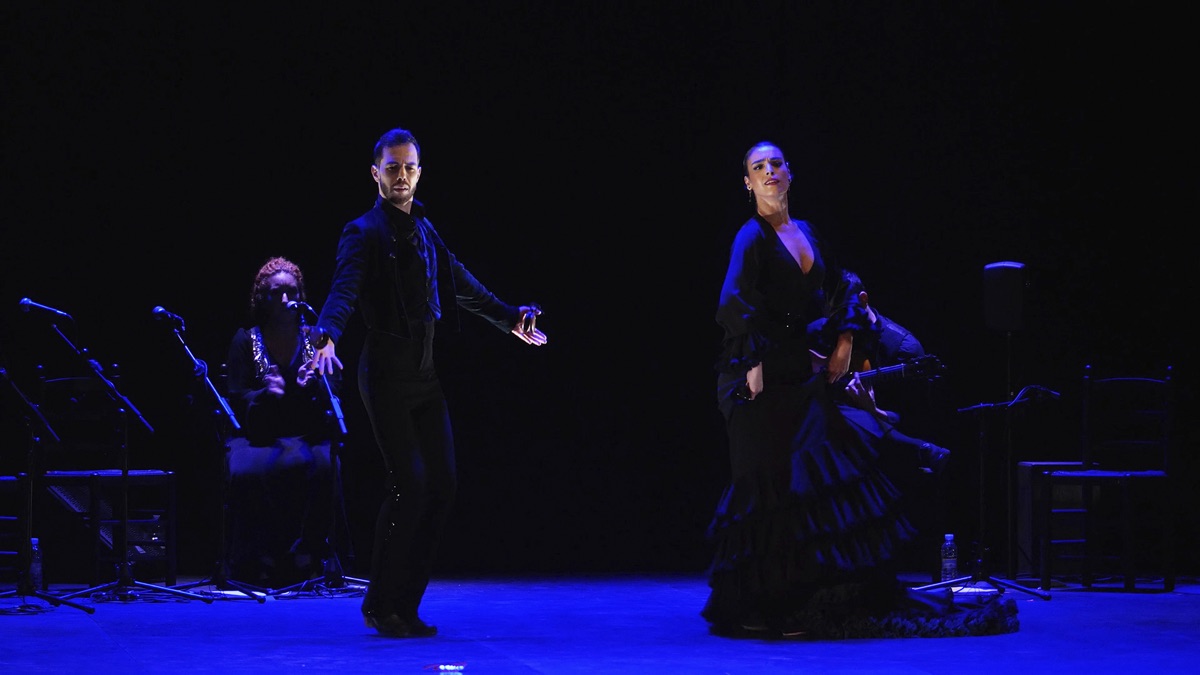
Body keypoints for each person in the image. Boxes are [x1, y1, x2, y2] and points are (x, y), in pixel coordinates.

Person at [703, 141, 1015, 640]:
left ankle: (806, 596)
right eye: (757, 168)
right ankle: (757, 605)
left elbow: (844, 285)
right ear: (747, 183)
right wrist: (763, 358)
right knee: (767, 487)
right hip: (752, 377)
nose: (769, 172)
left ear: (790, 172)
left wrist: (845, 340)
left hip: (799, 370)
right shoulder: (751, 236)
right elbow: (732, 304)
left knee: (811, 478)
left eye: (776, 164)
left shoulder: (805, 232)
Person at [310, 127, 547, 638]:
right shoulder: (363, 232)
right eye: (392, 167)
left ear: (419, 171)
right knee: (410, 484)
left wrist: (512, 318)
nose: (401, 176)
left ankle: (405, 604)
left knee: (441, 485)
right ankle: (379, 603)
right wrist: (326, 333)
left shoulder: (426, 230)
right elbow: (344, 290)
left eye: (409, 167)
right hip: (385, 374)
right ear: (375, 173)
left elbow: (463, 286)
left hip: (424, 377)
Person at [225, 256, 337, 589]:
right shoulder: (246, 340)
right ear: (262, 297)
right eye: (277, 292)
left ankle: (310, 561)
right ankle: (259, 563)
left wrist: (313, 384)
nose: (286, 300)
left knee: (324, 465)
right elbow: (235, 394)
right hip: (260, 433)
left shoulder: (316, 338)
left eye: (291, 292)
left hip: (306, 430)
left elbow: (336, 389)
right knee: (250, 470)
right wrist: (264, 393)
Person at [809, 269, 951, 477]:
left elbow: (915, 423)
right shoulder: (823, 330)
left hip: (880, 460)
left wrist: (873, 411)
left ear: (863, 300)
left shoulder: (903, 350)